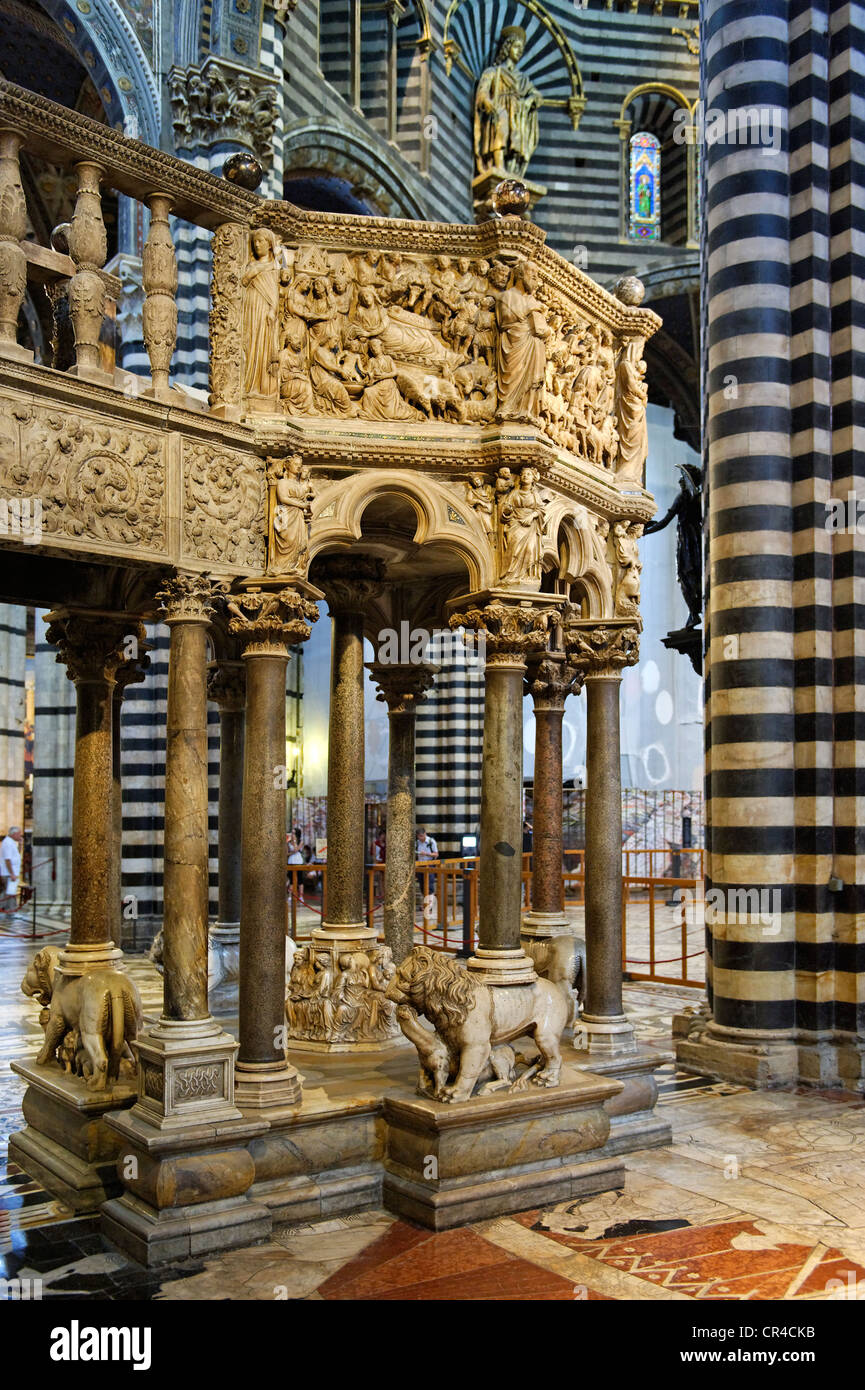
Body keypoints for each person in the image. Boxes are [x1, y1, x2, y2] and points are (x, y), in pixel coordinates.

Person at [1, 825, 22, 917]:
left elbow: (16, 855)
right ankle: (12, 911)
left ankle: (5, 910)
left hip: (11, 872)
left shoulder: (11, 842)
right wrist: (12, 873)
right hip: (8, 873)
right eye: (19, 834)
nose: (20, 836)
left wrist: (21, 845)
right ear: (14, 834)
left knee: (8, 892)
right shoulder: (7, 843)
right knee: (11, 892)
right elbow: (7, 860)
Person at [416, 826, 438, 897]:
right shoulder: (417, 843)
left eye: (422, 836)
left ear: (425, 834)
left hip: (429, 865)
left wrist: (426, 854)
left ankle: (430, 904)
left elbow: (436, 854)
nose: (420, 838)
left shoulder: (431, 841)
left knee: (429, 885)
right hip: (420, 865)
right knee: (422, 885)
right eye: (419, 836)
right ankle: (425, 904)